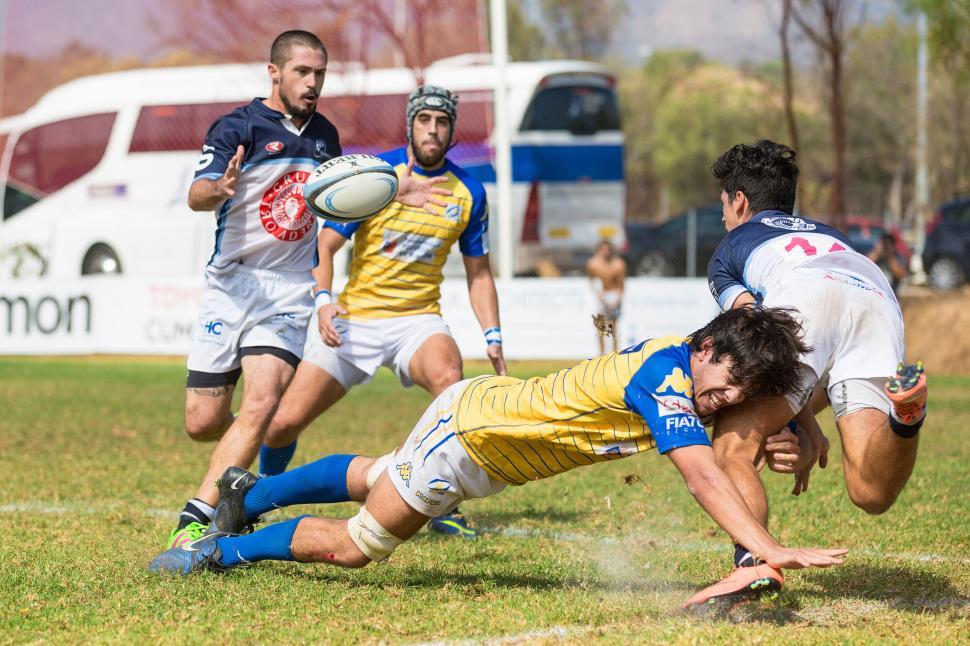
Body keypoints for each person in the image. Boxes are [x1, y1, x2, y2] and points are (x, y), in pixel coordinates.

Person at [151, 307, 850, 609]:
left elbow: (733, 439)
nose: (723, 399)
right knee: (360, 543)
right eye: (724, 383)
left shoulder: (685, 366)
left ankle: (253, 495)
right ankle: (220, 553)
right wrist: (767, 547)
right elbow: (702, 473)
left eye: (738, 394)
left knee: (376, 473)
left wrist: (794, 432)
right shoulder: (666, 381)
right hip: (471, 441)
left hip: (486, 426)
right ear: (704, 352)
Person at [167, 31, 447, 550]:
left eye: (319, 73)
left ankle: (198, 516)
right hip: (231, 286)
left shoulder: (325, 137)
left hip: (289, 290)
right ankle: (243, 464)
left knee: (262, 402)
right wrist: (221, 188)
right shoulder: (238, 127)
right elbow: (195, 195)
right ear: (274, 73)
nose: (313, 82)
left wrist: (394, 188)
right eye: (302, 72)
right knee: (202, 421)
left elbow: (341, 200)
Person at [255, 85, 506, 540]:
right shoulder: (374, 176)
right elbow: (324, 247)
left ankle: (439, 502)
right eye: (425, 119)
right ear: (411, 124)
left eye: (442, 122)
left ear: (452, 132)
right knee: (283, 423)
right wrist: (324, 302)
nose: (433, 129)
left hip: (417, 321)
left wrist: (492, 335)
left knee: (450, 381)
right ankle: (261, 494)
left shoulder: (469, 191)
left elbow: (480, 274)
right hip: (355, 321)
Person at [687, 140, 928, 607]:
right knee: (870, 490)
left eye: (723, 202)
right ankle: (907, 417)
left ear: (739, 200)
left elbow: (757, 339)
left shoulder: (730, 247)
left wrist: (795, 418)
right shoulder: (829, 231)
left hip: (805, 292)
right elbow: (804, 357)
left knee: (733, 445)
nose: (722, 215)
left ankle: (752, 566)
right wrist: (799, 418)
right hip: (874, 289)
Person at [586, 239, 626, 353]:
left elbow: (622, 283)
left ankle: (614, 354)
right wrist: (597, 293)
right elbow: (591, 280)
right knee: (600, 328)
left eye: (608, 249)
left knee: (613, 328)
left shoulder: (618, 264)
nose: (606, 252)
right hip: (601, 295)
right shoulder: (593, 264)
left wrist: (617, 298)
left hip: (613, 294)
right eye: (603, 249)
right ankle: (601, 355)